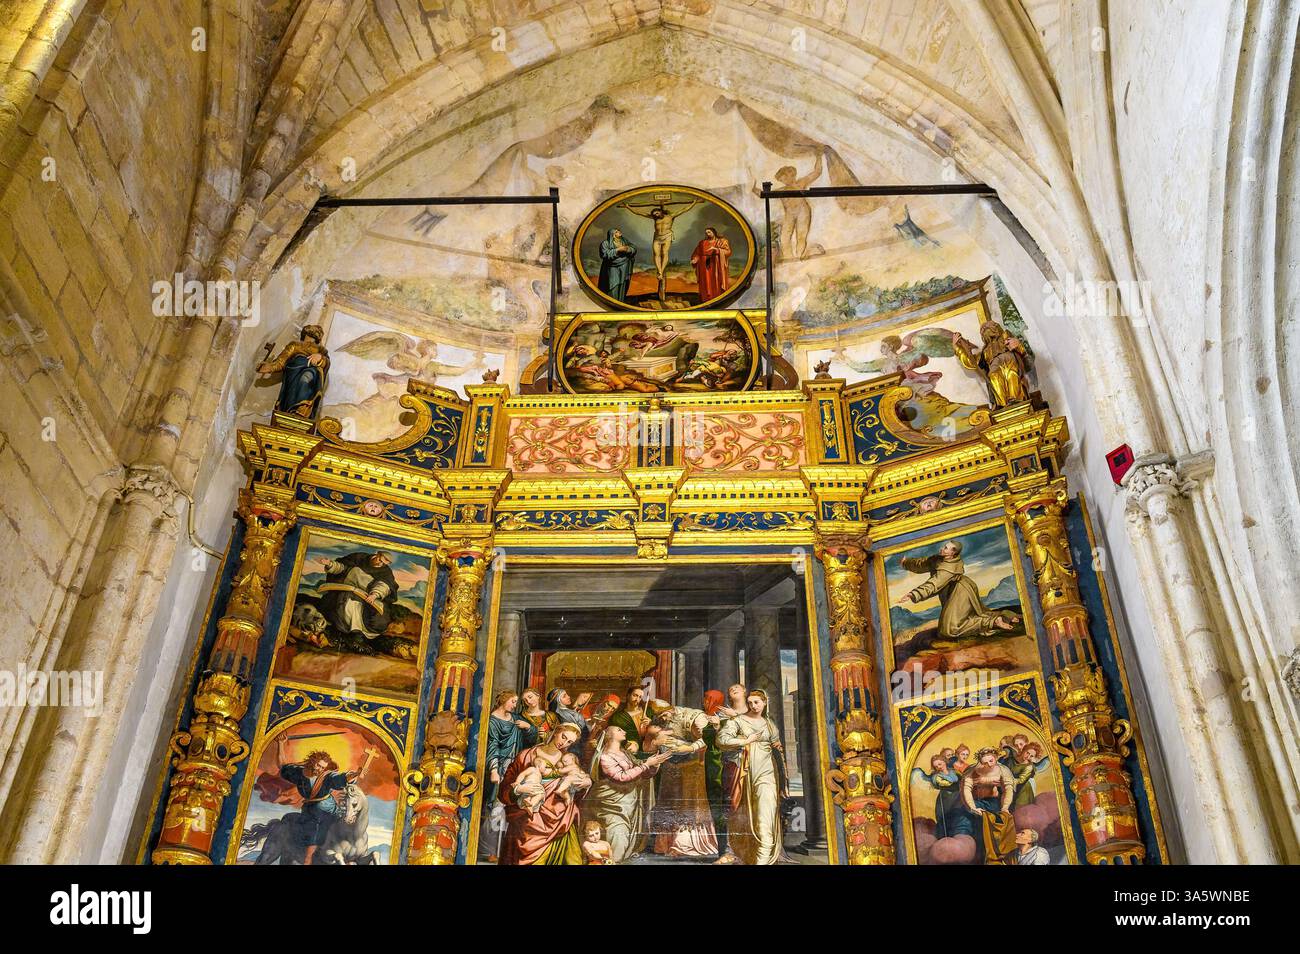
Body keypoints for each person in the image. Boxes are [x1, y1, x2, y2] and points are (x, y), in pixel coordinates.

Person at [499, 723, 592, 865]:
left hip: (561, 820)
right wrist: (518, 790)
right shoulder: (527, 756)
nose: (564, 743)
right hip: (528, 820)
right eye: (563, 737)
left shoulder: (568, 761)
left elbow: (576, 789)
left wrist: (586, 784)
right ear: (556, 732)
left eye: (569, 742)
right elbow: (504, 788)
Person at [894, 541, 1020, 642]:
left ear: (953, 554)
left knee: (949, 630)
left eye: (947, 548)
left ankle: (993, 622)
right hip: (956, 591)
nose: (942, 549)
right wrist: (906, 563)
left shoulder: (950, 568)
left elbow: (933, 585)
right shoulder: (939, 558)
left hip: (961, 592)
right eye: (944, 546)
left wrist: (913, 595)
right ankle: (1006, 616)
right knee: (974, 614)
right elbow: (922, 564)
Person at [716, 689, 786, 865]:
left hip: (767, 776)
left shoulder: (770, 725)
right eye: (750, 702)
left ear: (764, 703)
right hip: (744, 777)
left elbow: (778, 752)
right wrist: (746, 741)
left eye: (757, 702)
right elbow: (721, 740)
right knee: (746, 820)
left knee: (765, 820)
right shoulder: (738, 721)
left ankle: (762, 861)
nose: (753, 705)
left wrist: (784, 782)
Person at [585, 725, 672, 862]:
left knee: (626, 834)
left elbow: (641, 769)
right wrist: (646, 764)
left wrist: (654, 764)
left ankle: (615, 860)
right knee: (618, 832)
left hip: (627, 800)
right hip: (610, 802)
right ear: (608, 735)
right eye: (619, 729)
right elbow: (621, 777)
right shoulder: (605, 757)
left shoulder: (625, 753)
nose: (624, 731)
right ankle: (612, 861)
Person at [273, 739, 366, 866]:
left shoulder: (326, 776)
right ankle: (308, 859)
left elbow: (341, 778)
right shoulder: (299, 773)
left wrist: (354, 774)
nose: (319, 769)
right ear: (312, 762)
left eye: (322, 767)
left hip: (332, 809)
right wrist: (281, 744)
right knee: (314, 830)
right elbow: (282, 766)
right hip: (312, 812)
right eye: (318, 765)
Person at [647, 701, 719, 857]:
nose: (663, 719)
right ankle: (667, 843)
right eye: (660, 716)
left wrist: (689, 747)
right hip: (670, 767)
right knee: (670, 802)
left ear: (672, 710)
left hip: (692, 766)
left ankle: (685, 843)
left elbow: (707, 738)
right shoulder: (661, 721)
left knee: (689, 803)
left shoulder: (694, 716)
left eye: (664, 714)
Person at [480, 690, 534, 861]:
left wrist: (529, 728)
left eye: (516, 701)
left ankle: (507, 850)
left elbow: (532, 737)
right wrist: (494, 770)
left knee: (512, 808)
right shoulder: (493, 722)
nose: (515, 704)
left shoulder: (516, 718)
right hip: (501, 768)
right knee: (497, 808)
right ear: (503, 700)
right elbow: (492, 746)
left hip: (515, 767)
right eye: (513, 701)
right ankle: (491, 850)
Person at [317, 549, 399, 643]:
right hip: (347, 589)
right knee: (342, 606)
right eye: (380, 560)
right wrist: (330, 564)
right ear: (377, 555)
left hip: (367, 596)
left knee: (367, 614)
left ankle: (357, 633)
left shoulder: (385, 571)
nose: (381, 564)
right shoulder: (359, 558)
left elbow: (384, 585)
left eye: (384, 563)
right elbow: (342, 568)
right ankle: (343, 632)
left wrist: (374, 594)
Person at [958, 747, 1018, 864]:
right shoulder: (972, 770)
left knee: (996, 829)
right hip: (976, 803)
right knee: (975, 830)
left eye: (991, 761)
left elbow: (1008, 790)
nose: (988, 765)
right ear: (980, 761)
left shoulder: (1003, 770)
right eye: (984, 762)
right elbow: (966, 789)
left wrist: (1005, 807)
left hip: (994, 804)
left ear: (995, 758)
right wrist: (972, 807)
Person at [258, 324, 329, 418]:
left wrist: (320, 357)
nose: (311, 339)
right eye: (310, 334)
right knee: (292, 393)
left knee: (306, 378)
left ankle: (302, 409)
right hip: (293, 372)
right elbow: (281, 361)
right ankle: (291, 410)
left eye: (313, 335)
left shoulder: (321, 350)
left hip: (311, 369)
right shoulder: (295, 345)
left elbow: (326, 363)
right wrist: (270, 367)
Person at [690, 226, 732, 302]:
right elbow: (697, 253)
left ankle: (716, 297)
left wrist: (717, 250)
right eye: (706, 233)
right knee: (705, 281)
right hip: (703, 265)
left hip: (715, 264)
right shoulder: (702, 243)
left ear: (714, 232)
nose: (708, 234)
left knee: (715, 280)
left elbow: (728, 252)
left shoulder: (721, 241)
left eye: (709, 232)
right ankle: (705, 298)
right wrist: (695, 259)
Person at [597, 228, 637, 301]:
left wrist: (628, 249)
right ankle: (612, 302)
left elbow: (633, 248)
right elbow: (605, 254)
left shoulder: (624, 241)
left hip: (624, 266)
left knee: (622, 284)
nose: (619, 232)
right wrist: (617, 250)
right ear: (613, 234)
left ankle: (620, 301)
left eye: (619, 231)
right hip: (612, 268)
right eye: (617, 231)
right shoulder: (606, 243)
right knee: (613, 285)